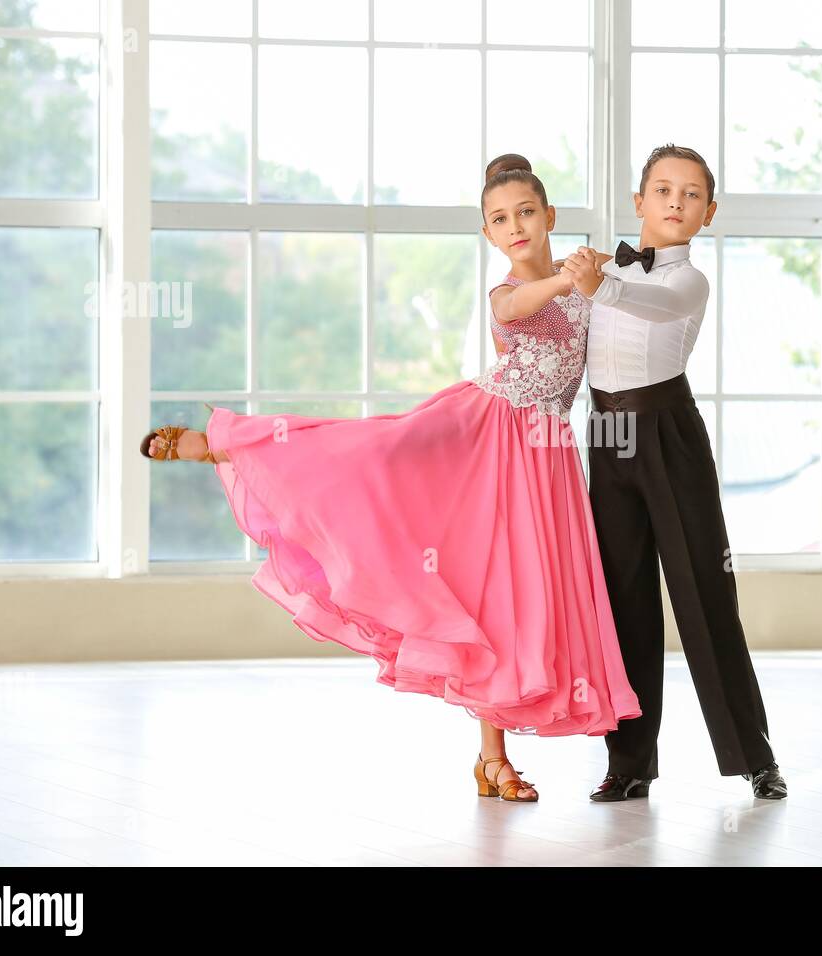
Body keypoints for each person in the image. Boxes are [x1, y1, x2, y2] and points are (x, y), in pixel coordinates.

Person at [138, 154, 641, 803]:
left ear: (549, 216)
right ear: (487, 235)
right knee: (366, 456)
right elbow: (524, 303)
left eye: (525, 212)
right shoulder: (508, 295)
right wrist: (575, 279)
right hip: (482, 431)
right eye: (498, 219)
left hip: (545, 460)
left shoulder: (585, 289)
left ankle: (492, 761)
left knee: (501, 603)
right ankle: (230, 446)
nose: (514, 226)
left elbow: (628, 321)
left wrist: (603, 278)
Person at [559, 144, 787, 801]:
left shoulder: (688, 280)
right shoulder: (600, 268)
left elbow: (649, 306)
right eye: (663, 190)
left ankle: (754, 757)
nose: (675, 202)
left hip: (667, 427)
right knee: (624, 599)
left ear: (708, 212)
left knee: (704, 596)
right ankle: (629, 764)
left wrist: (597, 280)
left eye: (691, 195)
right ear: (639, 202)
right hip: (607, 430)